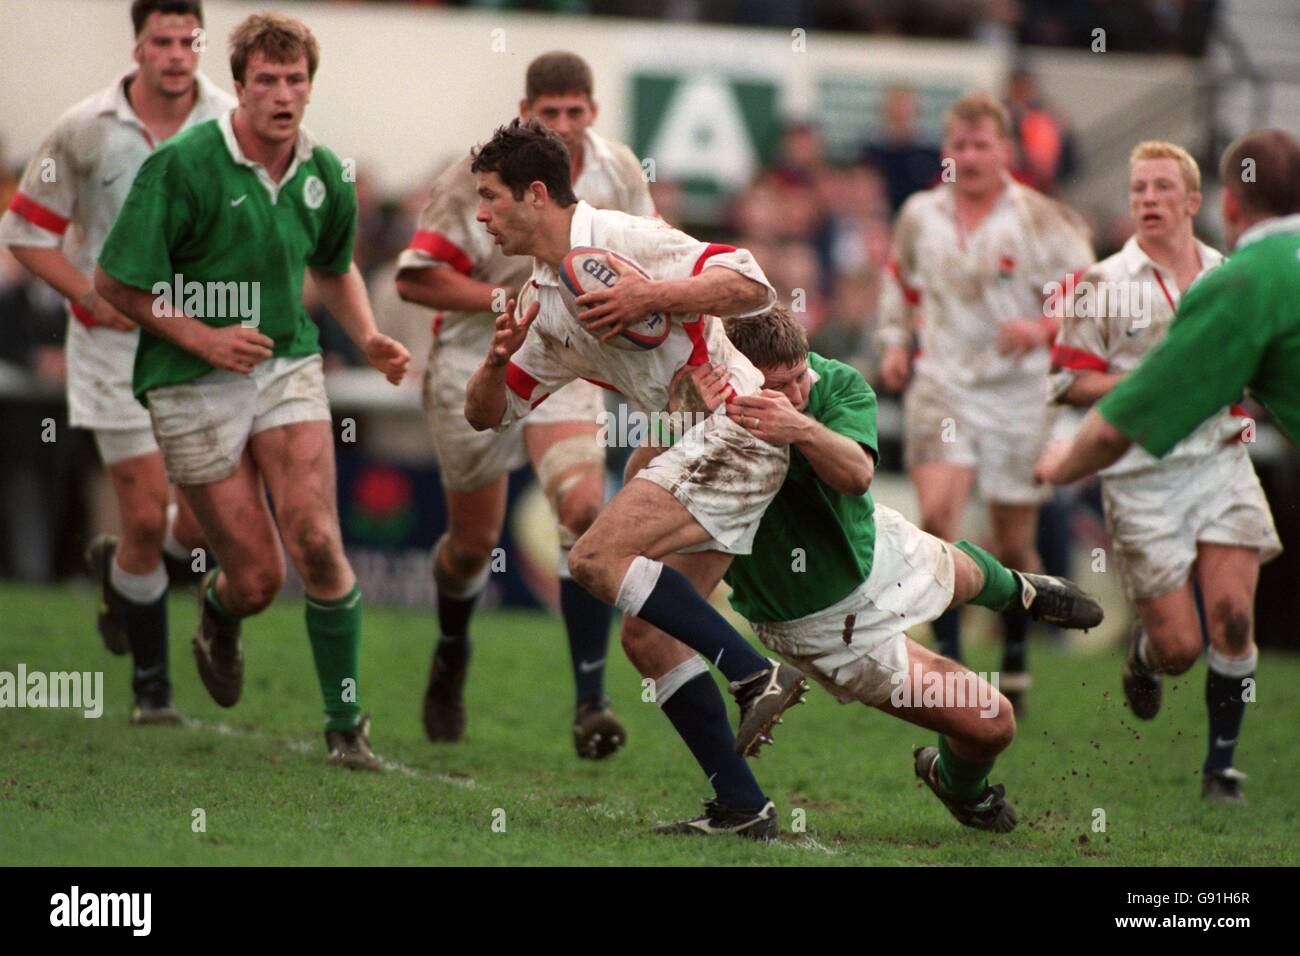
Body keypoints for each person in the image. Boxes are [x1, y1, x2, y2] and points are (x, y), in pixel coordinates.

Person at [630, 309, 1102, 834]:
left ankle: (1021, 591)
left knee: (960, 568)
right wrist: (676, 419)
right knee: (993, 725)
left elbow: (856, 475)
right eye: (774, 386)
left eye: (796, 378)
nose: (793, 393)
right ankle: (959, 786)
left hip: (876, 546)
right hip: (825, 624)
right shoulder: (708, 407)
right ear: (740, 376)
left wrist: (800, 427)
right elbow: (636, 488)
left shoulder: (835, 382)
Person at [465, 118, 808, 836]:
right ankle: (744, 807)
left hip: (740, 426)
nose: (482, 215)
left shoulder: (619, 238)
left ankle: (752, 671)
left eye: (492, 197)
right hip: (700, 446)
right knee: (648, 642)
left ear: (535, 194)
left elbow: (752, 284)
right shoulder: (543, 301)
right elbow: (487, 417)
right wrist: (496, 363)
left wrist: (650, 297)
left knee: (593, 556)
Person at [93, 12, 411, 768]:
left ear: (309, 86)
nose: (281, 93)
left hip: (286, 364)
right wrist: (204, 336)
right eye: (265, 79)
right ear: (236, 87)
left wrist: (366, 336)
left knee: (318, 540)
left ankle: (345, 727)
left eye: (294, 79)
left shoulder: (327, 172)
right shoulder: (183, 164)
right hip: (189, 381)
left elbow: (334, 267)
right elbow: (116, 281)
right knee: (260, 577)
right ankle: (218, 609)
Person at [394, 52, 654, 758]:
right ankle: (451, 649)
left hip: (561, 361)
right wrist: (509, 301)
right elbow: (415, 278)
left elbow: (645, 263)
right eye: (550, 112)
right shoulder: (472, 173)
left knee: (581, 511)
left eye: (576, 111)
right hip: (474, 364)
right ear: (526, 108)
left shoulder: (620, 171)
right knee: (472, 546)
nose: (564, 125)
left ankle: (590, 699)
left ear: (594, 113)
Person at [1036, 129, 1300, 803]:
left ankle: (1220, 770)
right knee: (1180, 648)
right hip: (1138, 473)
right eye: (1137, 189)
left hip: (1218, 461)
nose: (1148, 199)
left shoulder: (1227, 272)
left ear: (1198, 200)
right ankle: (1145, 657)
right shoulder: (1101, 283)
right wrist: (1154, 383)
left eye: (1162, 188)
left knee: (1235, 619)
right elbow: (1066, 382)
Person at [0, 0, 232, 724]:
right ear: (137, 46)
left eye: (186, 40)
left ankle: (114, 569)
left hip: (198, 344)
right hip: (109, 349)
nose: (173, 53)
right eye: (159, 40)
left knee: (200, 526)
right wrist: (86, 293)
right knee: (139, 514)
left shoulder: (231, 125)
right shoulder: (80, 128)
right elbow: (25, 232)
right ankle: (153, 688)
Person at [876, 90, 1094, 714]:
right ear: (947, 151)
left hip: (1017, 394)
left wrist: (1042, 329)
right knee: (939, 522)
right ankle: (950, 668)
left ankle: (1017, 660)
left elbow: (1084, 295)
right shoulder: (920, 213)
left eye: (981, 145)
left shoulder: (1042, 219)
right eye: (959, 145)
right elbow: (900, 282)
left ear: (1004, 151)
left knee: (1012, 542)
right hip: (942, 383)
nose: (968, 157)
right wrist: (894, 344)